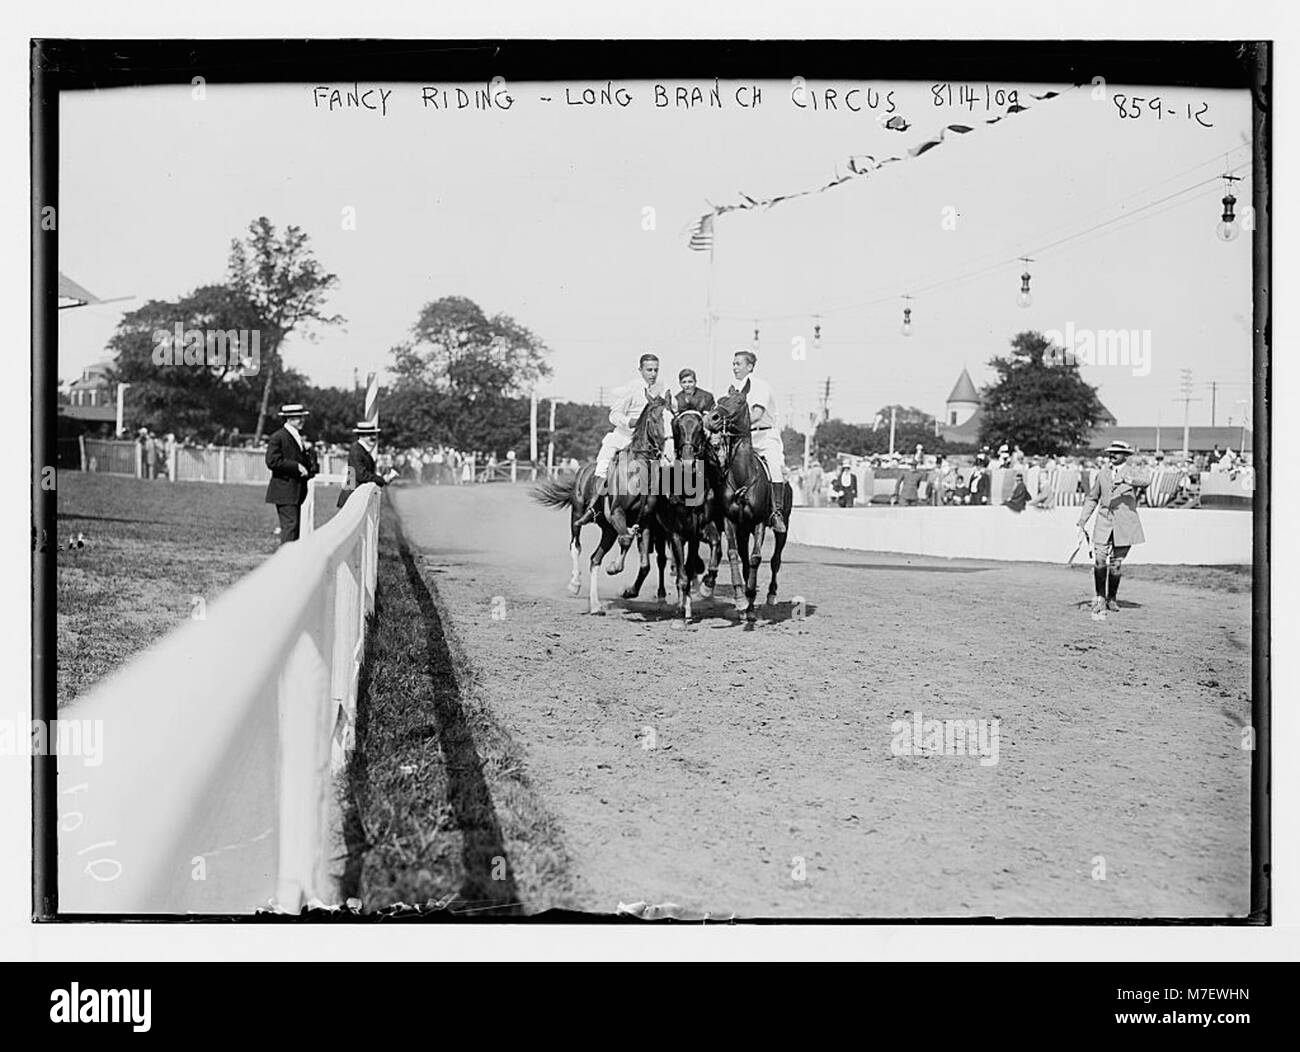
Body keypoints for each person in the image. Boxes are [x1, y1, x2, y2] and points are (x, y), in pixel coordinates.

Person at [582, 353, 674, 518]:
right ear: (640, 370)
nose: (653, 374)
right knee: (603, 464)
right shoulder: (631, 389)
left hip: (650, 443)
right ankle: (595, 506)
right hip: (624, 438)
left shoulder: (662, 389)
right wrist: (631, 422)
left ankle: (665, 510)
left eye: (656, 370)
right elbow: (614, 415)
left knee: (669, 466)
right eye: (649, 370)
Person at [1077, 439, 1152, 616]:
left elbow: (1147, 481)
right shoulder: (1102, 473)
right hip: (1103, 521)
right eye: (1110, 452)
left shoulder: (1133, 471)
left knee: (1116, 564)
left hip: (1125, 523)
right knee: (1099, 560)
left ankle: (1112, 598)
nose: (1112, 455)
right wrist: (1083, 519)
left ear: (1125, 455)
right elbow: (1093, 497)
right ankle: (1100, 597)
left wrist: (1129, 480)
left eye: (1116, 452)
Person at [728, 349, 787, 532]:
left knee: (775, 469)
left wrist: (733, 424)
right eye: (734, 363)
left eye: (738, 364)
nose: (735, 367)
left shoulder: (760, 386)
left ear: (750, 366)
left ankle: (776, 513)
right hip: (744, 437)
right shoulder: (735, 390)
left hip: (764, 436)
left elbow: (756, 415)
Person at [264, 403, 318, 544]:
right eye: (297, 418)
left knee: (294, 528)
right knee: (290, 527)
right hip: (285, 490)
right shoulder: (279, 437)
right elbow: (272, 461)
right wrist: (296, 466)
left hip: (295, 490)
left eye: (301, 417)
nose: (301, 420)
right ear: (288, 419)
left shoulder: (296, 436)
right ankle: (285, 562)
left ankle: (291, 561)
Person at [338, 421, 398, 507]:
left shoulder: (362, 450)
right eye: (370, 435)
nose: (374, 437)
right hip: (352, 496)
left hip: (358, 495)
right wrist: (382, 480)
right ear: (362, 436)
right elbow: (361, 475)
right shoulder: (356, 450)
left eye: (374, 434)